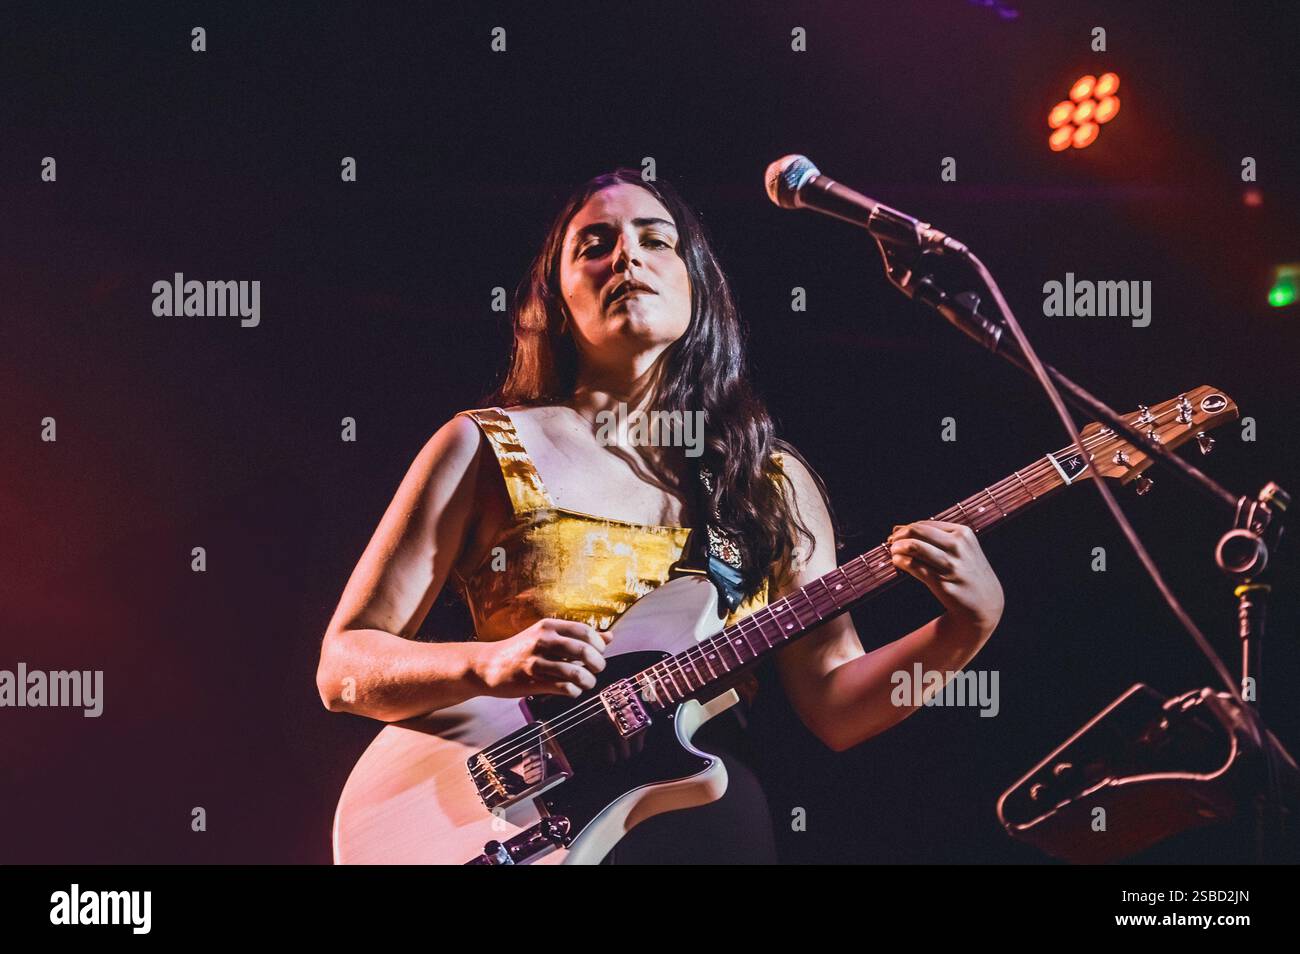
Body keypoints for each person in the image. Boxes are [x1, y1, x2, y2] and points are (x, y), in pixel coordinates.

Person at [315, 168, 1005, 864]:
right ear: (556, 295)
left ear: (696, 285)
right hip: (528, 824)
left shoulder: (772, 480)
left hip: (703, 820)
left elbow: (835, 701)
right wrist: (492, 663)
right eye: (594, 244)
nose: (627, 257)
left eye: (656, 241)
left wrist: (962, 629)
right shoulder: (483, 445)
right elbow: (344, 667)